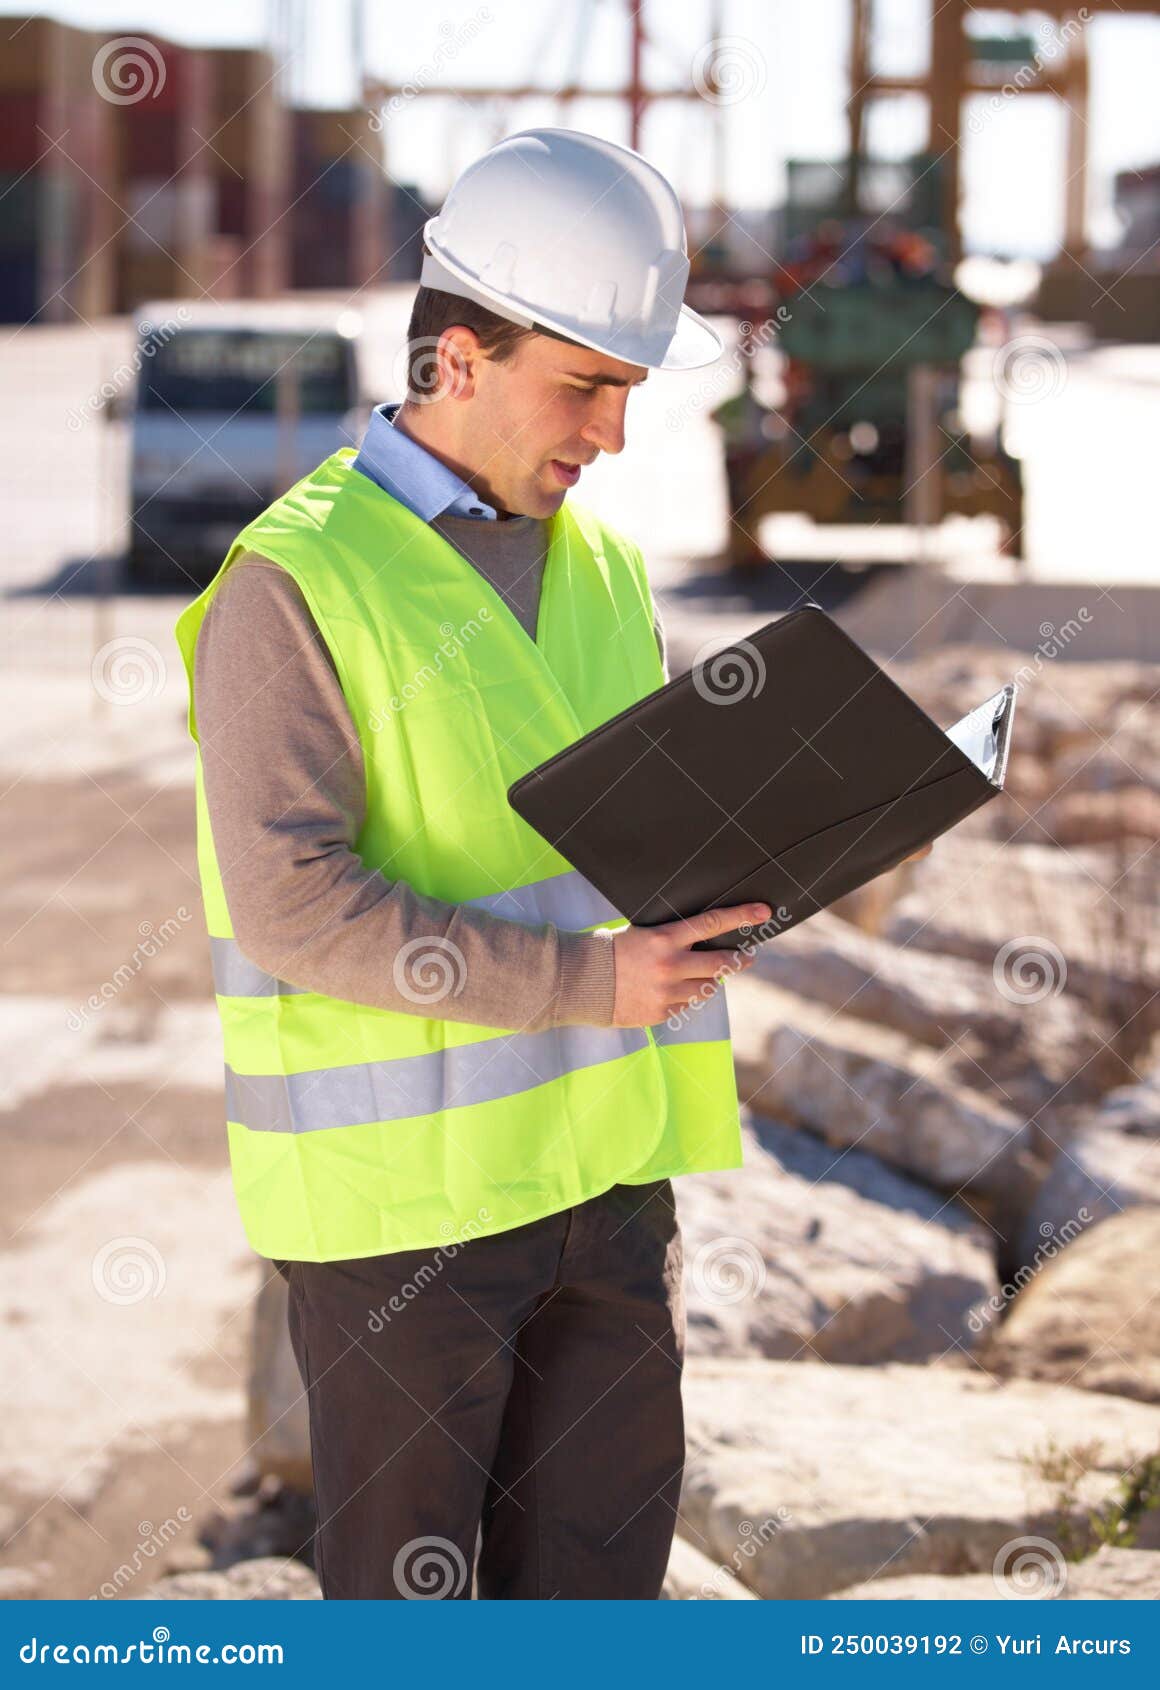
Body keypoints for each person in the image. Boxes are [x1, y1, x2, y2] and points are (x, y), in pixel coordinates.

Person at [174, 127, 926, 1601]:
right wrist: (588, 981)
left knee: (598, 1604)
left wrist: (799, 845)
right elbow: (289, 904)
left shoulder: (603, 568)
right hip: (406, 1226)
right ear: (457, 358)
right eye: (586, 385)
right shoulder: (295, 581)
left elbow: (622, 843)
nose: (615, 433)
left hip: (611, 1190)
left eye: (629, 389)